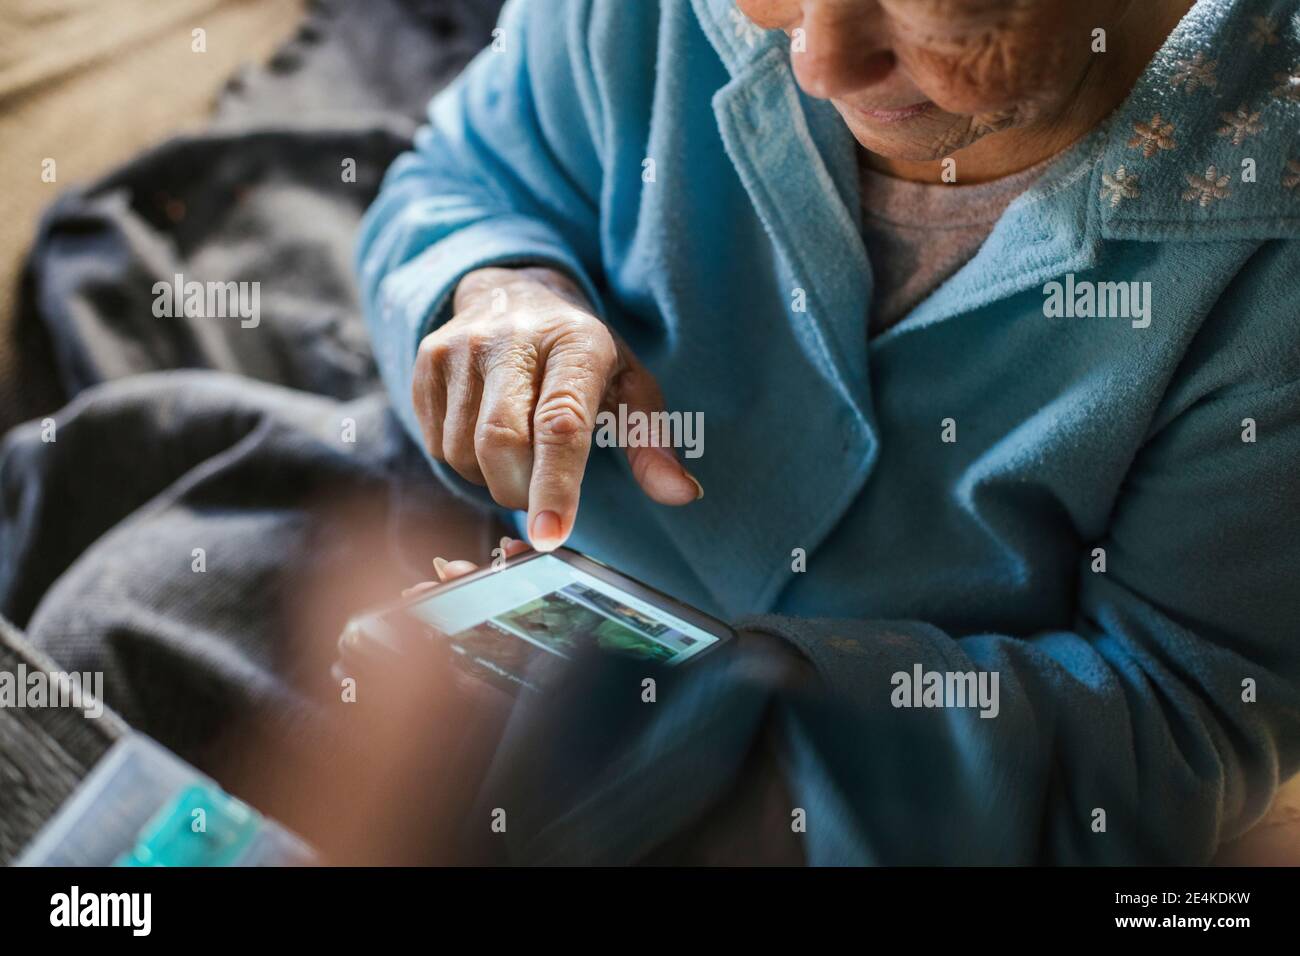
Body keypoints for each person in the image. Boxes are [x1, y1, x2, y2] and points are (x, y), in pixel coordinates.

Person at [356, 0, 1300, 863]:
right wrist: (497, 285)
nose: (820, 64)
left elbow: (1180, 724)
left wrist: (722, 737)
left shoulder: (1273, 266)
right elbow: (459, 177)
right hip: (460, 628)